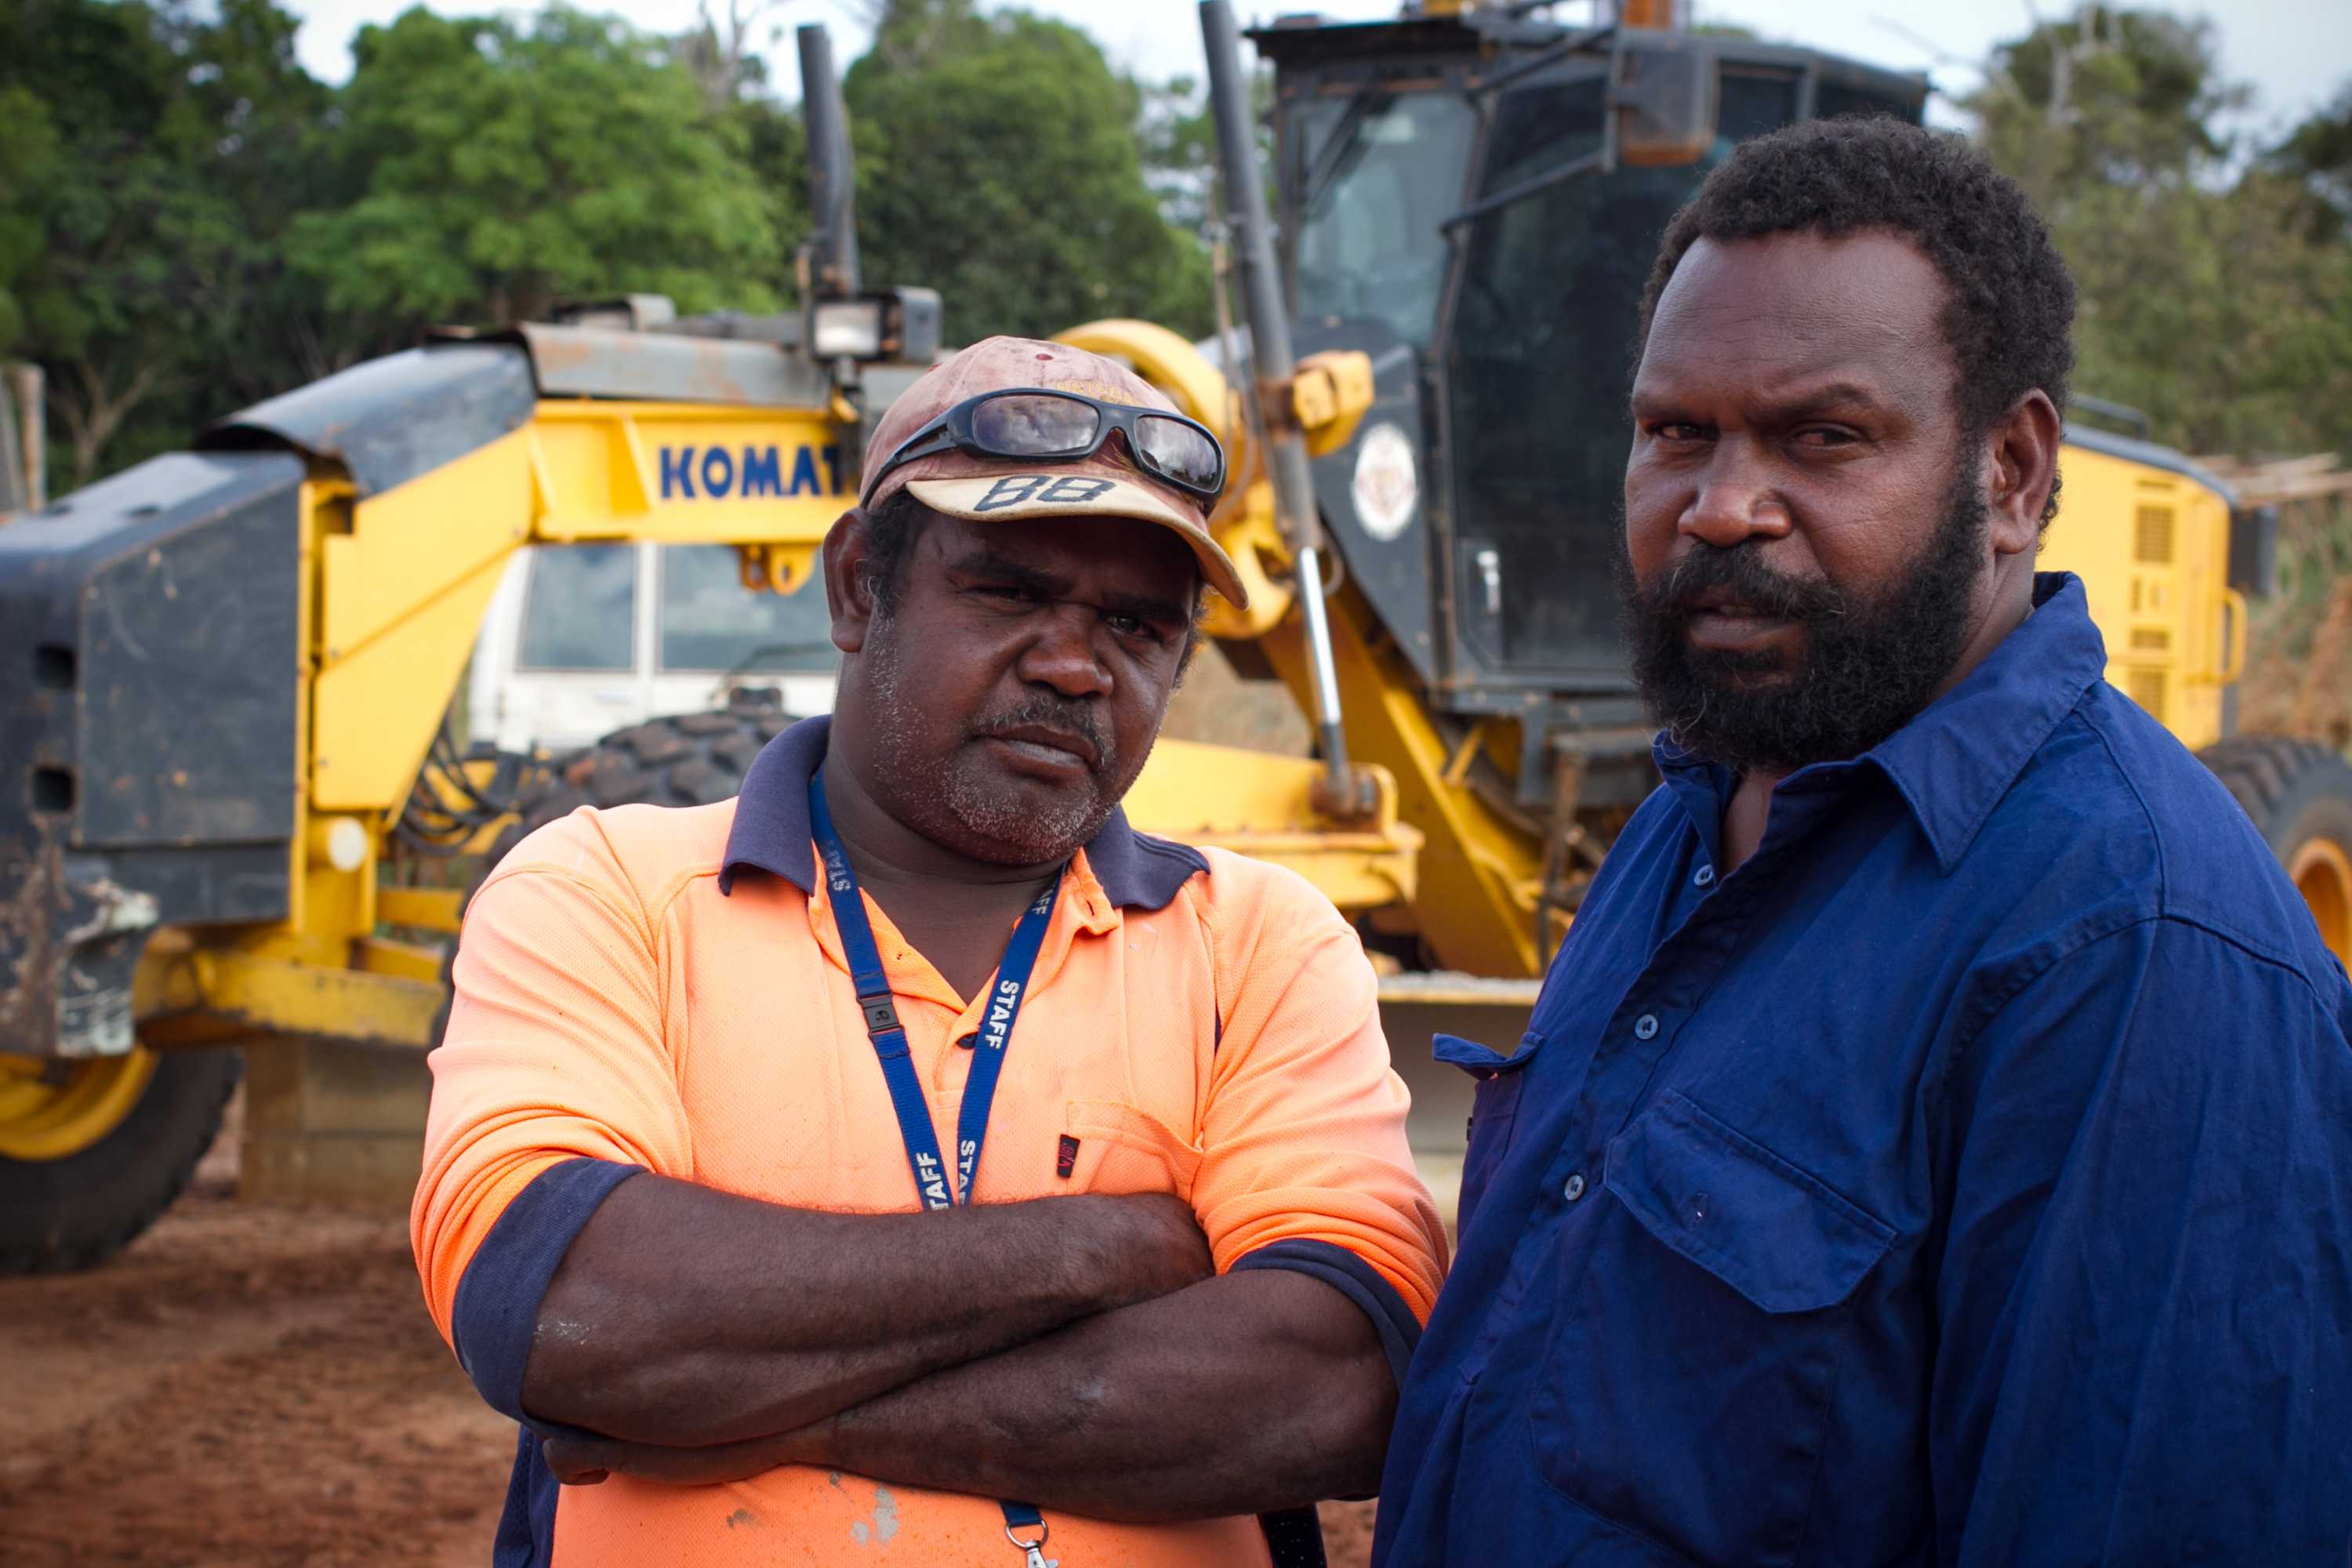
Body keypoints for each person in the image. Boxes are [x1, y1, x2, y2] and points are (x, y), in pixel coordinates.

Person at [1373, 118, 2352, 1566]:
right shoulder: (1690, 818)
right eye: (1673, 433)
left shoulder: (2130, 950)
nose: (1721, 507)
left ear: (2012, 474)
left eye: (1823, 438)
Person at [413, 336, 1447, 1568]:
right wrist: (1110, 1248)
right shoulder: (602, 892)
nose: (1074, 664)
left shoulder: (1263, 950)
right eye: (1008, 592)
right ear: (858, 587)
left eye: (1135, 623)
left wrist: (716, 1413)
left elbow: (1332, 1387)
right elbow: (576, 1313)